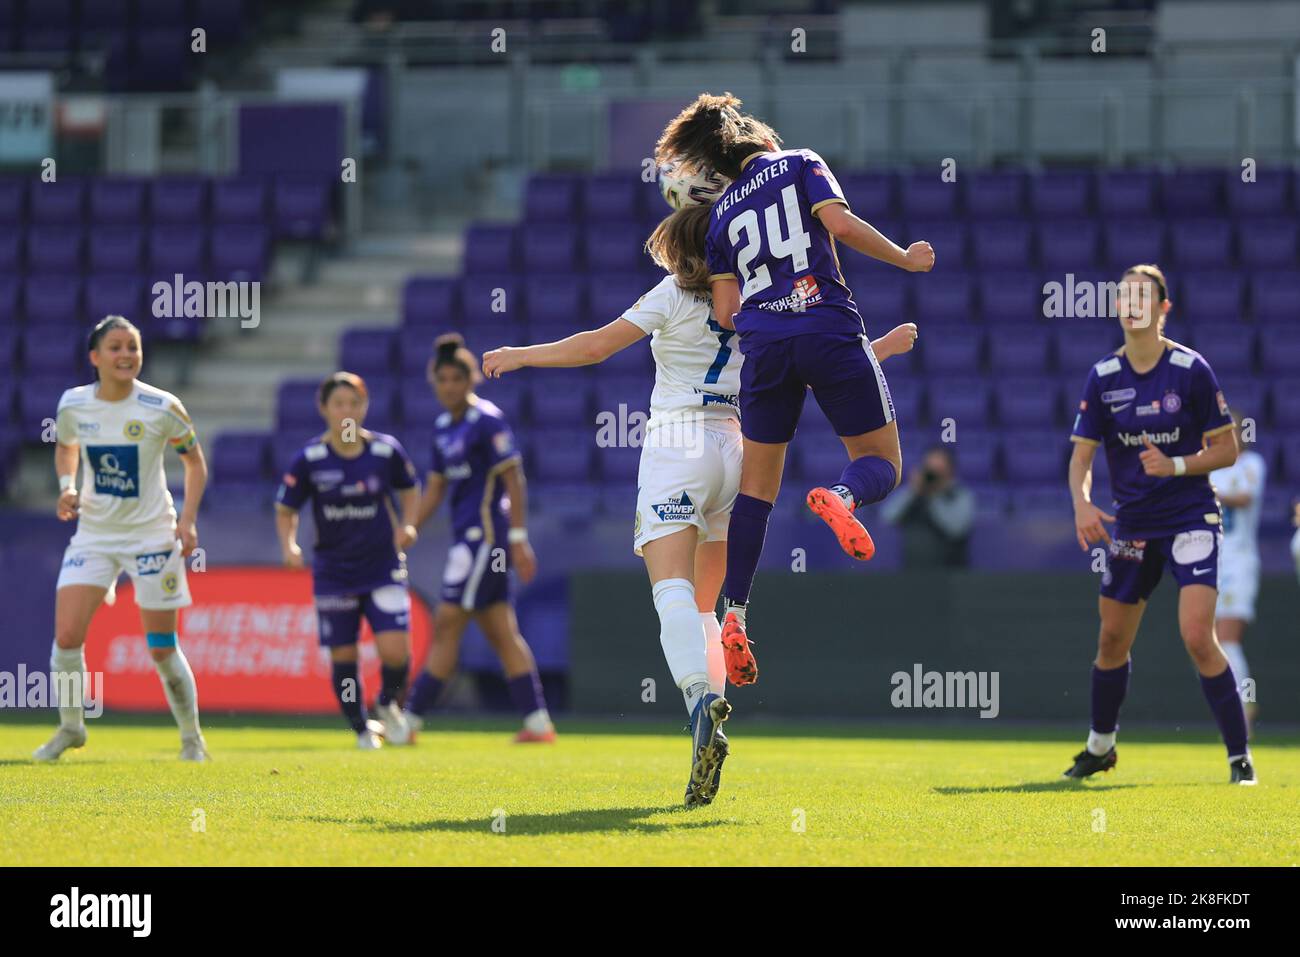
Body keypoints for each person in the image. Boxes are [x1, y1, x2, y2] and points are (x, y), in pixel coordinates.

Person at [483, 205, 917, 805]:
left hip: (678, 440)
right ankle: (703, 734)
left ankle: (699, 702)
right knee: (708, 608)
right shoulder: (761, 305)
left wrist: (521, 353)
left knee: (671, 593)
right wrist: (879, 350)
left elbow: (594, 348)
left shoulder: (670, 294)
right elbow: (811, 365)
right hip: (739, 448)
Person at [653, 92, 934, 687]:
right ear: (761, 140)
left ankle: (736, 614)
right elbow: (839, 224)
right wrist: (903, 259)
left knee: (756, 493)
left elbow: (727, 313)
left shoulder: (724, 213)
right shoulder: (802, 161)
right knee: (880, 462)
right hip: (827, 324)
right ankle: (842, 497)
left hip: (766, 350)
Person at [1067, 264, 1253, 784]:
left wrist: (1175, 465)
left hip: (1191, 514)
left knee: (1197, 635)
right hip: (1133, 525)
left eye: (1142, 296)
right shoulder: (1103, 376)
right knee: (1110, 641)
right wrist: (1082, 504)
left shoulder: (1191, 370)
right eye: (1123, 295)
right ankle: (1101, 746)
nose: (1131, 303)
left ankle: (1240, 759)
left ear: (1163, 309)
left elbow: (1227, 449)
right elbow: (1081, 459)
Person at [37, 315, 209, 762]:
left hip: (152, 535)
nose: (126, 355)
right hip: (94, 534)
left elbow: (195, 463)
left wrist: (187, 522)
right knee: (67, 636)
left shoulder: (162, 406)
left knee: (161, 648)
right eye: (115, 347)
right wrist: (66, 487)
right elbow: (66, 445)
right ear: (95, 357)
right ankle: (71, 728)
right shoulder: (74, 404)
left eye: (132, 347)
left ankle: (192, 740)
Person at [408, 334, 555, 743]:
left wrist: (519, 538)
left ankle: (410, 720)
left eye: (457, 378)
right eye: (442, 379)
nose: (449, 386)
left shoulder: (486, 421)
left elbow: (514, 479)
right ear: (434, 381)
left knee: (447, 623)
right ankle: (538, 723)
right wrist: (408, 530)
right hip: (466, 540)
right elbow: (435, 489)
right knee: (500, 630)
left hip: (486, 538)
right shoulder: (442, 428)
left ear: (471, 379)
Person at [275, 372, 420, 748]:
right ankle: (360, 729)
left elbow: (410, 489)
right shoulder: (310, 458)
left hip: (383, 566)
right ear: (324, 409)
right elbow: (286, 508)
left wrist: (408, 524)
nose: (347, 411)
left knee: (396, 650)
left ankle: (386, 702)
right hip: (334, 573)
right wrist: (289, 545)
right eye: (339, 404)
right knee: (344, 653)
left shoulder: (385, 452)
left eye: (354, 404)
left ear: (364, 407)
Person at [1209, 412, 1265, 727]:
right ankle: (1230, 706)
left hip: (1239, 562)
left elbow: (1245, 497)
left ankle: (1244, 706)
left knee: (1228, 638)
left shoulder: (1250, 464)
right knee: (1205, 640)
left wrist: (1207, 492)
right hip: (1211, 562)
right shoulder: (1210, 466)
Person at [881, 445, 974, 568]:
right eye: (930, 469)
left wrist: (934, 496)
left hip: (951, 574)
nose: (933, 475)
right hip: (912, 572)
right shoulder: (915, 494)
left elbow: (955, 529)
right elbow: (887, 517)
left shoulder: (960, 495)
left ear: (950, 471)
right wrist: (914, 490)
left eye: (939, 470)